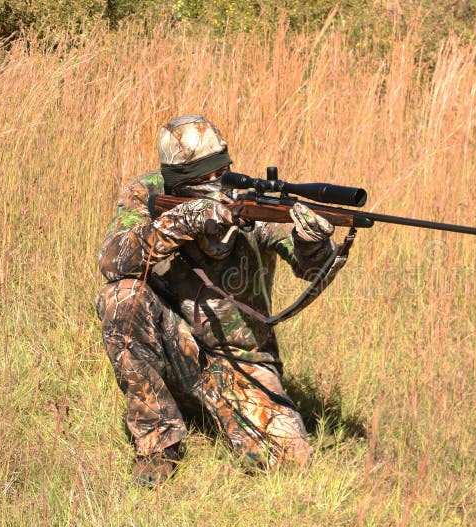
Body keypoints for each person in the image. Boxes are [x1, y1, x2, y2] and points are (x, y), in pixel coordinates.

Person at [96, 114, 337, 486]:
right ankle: (158, 443)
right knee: (121, 297)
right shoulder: (147, 191)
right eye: (202, 179)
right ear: (178, 181)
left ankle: (212, 411)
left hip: (240, 361)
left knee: (292, 463)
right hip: (174, 347)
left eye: (221, 171)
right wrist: (182, 223)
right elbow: (112, 260)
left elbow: (308, 269)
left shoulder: (250, 204)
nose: (215, 184)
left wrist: (314, 244)